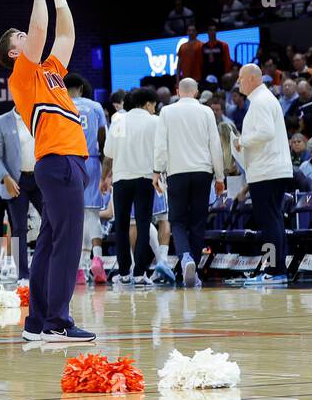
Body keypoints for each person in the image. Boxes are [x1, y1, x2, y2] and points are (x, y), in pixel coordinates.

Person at [0, 0, 95, 343]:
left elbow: (65, 34)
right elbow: (40, 28)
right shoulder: (22, 75)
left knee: (52, 242)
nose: (27, 35)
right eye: (18, 37)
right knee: (67, 243)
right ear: (13, 54)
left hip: (64, 163)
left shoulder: (50, 71)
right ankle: (58, 320)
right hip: (59, 161)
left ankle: (38, 322)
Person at [153, 77, 225, 288]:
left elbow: (161, 145)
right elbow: (215, 146)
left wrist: (157, 171)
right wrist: (219, 177)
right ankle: (195, 269)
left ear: (177, 91)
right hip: (203, 172)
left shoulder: (166, 111)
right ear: (196, 92)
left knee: (177, 220)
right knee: (198, 222)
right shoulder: (206, 112)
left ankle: (186, 258)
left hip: (177, 172)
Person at [233, 63, 293, 285]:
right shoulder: (265, 99)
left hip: (267, 171)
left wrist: (241, 141)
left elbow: (266, 132)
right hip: (272, 170)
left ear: (251, 79)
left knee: (269, 222)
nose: (238, 82)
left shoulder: (260, 101)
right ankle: (276, 270)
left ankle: (273, 271)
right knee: (274, 220)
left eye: (240, 78)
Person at [104, 88, 162, 284]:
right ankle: (139, 273)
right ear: (147, 104)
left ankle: (124, 273)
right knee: (144, 224)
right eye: (154, 105)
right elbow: (161, 150)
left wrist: (104, 178)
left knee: (120, 226)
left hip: (121, 179)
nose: (155, 109)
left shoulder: (119, 120)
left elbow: (109, 154)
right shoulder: (155, 121)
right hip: (145, 178)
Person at [0, 108, 40, 285]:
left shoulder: (41, 115)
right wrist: (5, 177)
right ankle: (23, 275)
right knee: (19, 228)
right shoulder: (1, 121)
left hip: (40, 178)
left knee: (53, 222)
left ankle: (45, 268)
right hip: (16, 180)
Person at [65, 73, 109, 284]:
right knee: (92, 213)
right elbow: (103, 135)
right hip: (91, 160)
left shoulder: (61, 105)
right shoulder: (95, 107)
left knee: (75, 216)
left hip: (69, 162)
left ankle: (79, 267)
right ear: (82, 88)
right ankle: (97, 257)